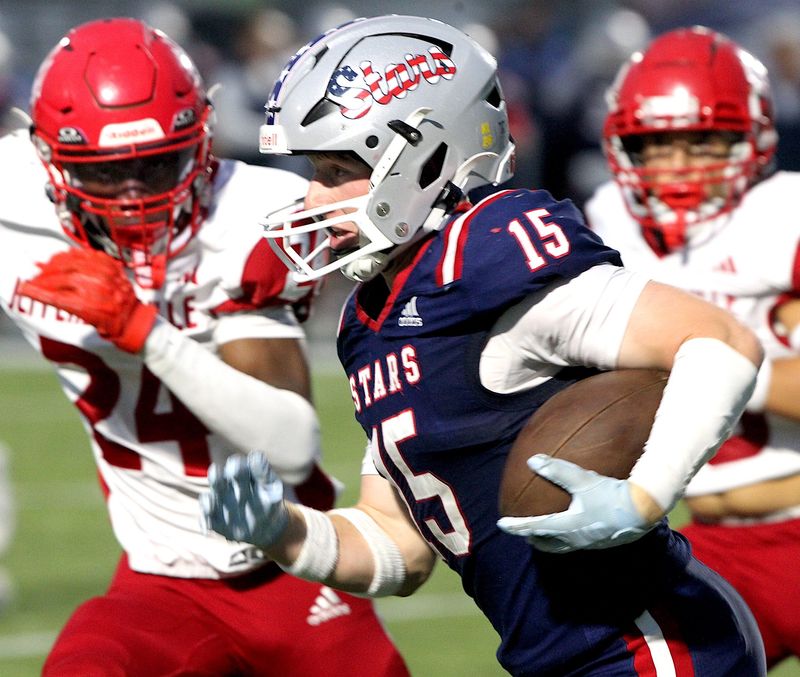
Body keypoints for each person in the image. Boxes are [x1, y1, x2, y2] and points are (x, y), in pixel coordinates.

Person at [201, 15, 768, 676]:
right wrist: (283, 531)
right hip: (556, 660)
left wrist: (642, 497)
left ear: (424, 155)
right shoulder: (369, 321)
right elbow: (397, 545)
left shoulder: (488, 250)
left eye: (335, 169)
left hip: (646, 646)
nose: (312, 195)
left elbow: (721, 342)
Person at [0, 18, 409, 676]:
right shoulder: (12, 208)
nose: (136, 197)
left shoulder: (251, 215)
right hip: (158, 580)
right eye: (108, 175)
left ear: (201, 143)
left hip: (292, 557)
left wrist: (144, 332)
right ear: (50, 163)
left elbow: (289, 436)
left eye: (157, 164)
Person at [584, 26, 800, 671]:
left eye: (703, 140)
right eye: (657, 144)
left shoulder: (783, 215)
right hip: (702, 538)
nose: (679, 166)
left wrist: (715, 368)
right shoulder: (607, 222)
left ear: (752, 138)